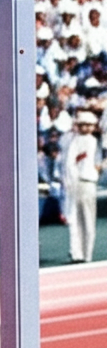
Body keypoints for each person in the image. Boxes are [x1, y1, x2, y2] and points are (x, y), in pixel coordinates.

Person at [64, 110, 102, 263]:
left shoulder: (78, 140)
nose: (86, 128)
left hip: (82, 183)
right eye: (83, 125)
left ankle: (81, 253)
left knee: (80, 220)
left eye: (89, 125)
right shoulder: (85, 140)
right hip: (83, 182)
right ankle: (82, 254)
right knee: (83, 220)